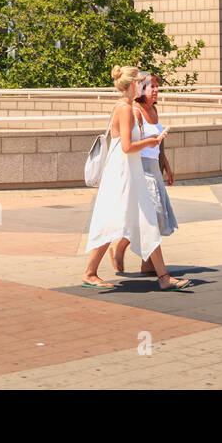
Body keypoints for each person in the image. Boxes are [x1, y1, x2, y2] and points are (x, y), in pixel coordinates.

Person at [82, 66, 191, 290]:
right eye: (142, 82)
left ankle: (163, 277)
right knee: (120, 220)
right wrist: (151, 142)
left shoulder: (128, 107)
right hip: (122, 174)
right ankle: (91, 273)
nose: (146, 85)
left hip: (129, 172)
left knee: (144, 220)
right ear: (134, 85)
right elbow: (127, 146)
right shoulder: (124, 108)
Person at [110, 71, 177, 275]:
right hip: (141, 170)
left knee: (154, 217)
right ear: (141, 89)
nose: (156, 91)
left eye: (157, 87)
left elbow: (158, 142)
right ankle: (121, 246)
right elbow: (131, 143)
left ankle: (146, 262)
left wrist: (166, 166)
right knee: (150, 216)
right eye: (151, 87)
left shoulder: (153, 110)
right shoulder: (135, 111)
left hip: (154, 169)